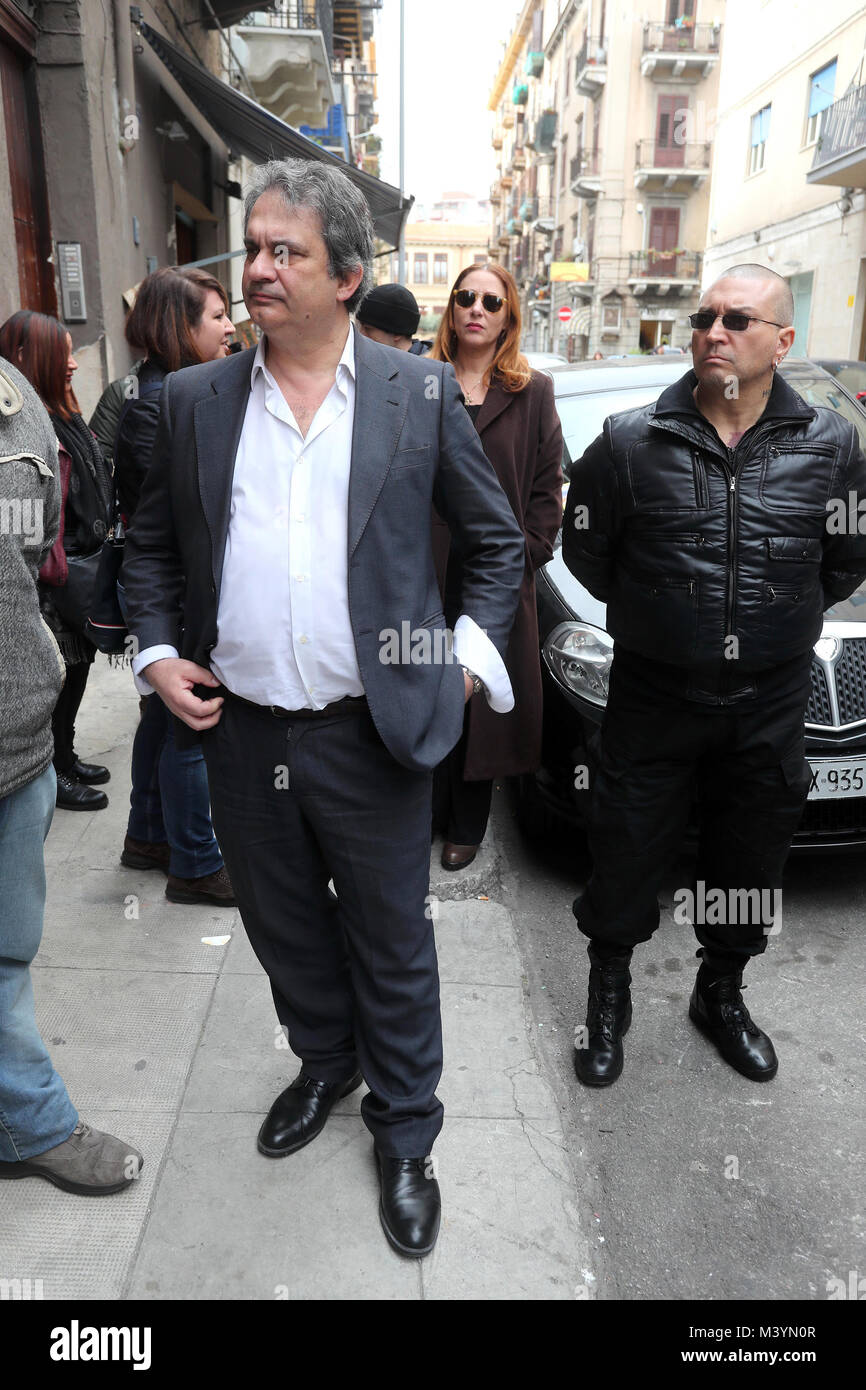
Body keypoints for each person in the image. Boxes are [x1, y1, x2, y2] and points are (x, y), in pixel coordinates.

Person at [122, 158, 524, 1257]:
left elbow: (495, 544)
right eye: (250, 247)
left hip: (371, 731)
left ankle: (404, 1131)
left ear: (346, 275)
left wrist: (463, 663)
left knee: (392, 939)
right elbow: (150, 547)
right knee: (282, 924)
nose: (255, 268)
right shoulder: (196, 401)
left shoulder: (415, 392)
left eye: (282, 251)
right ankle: (324, 1056)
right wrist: (155, 652)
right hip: (241, 730)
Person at [562, 263, 866, 1088]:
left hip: (767, 703)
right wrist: (666, 616)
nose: (714, 332)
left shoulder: (833, 447)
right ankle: (609, 994)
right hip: (653, 698)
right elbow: (587, 553)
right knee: (625, 853)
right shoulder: (630, 442)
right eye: (704, 318)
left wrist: (766, 624)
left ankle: (720, 993)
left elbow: (844, 562)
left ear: (782, 340)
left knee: (749, 857)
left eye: (737, 319)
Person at [0, 353, 142, 1194]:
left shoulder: (14, 393)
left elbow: (35, 539)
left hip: (18, 744)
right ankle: (40, 1122)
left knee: (10, 955)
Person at [429, 262, 563, 870]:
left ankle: (467, 822)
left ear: (509, 314)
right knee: (424, 685)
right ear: (451, 310)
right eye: (466, 298)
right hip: (424, 573)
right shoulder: (420, 382)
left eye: (492, 300)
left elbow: (545, 487)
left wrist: (526, 553)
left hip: (499, 578)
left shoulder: (531, 392)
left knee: (481, 698)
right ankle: (423, 811)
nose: (476, 308)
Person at [114, 267, 236, 908]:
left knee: (163, 723)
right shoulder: (167, 402)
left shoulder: (160, 391)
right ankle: (195, 862)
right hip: (177, 596)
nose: (230, 328)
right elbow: (164, 521)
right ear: (179, 327)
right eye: (216, 317)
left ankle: (149, 835)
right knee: (192, 727)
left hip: (175, 590)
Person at [0, 311, 113, 812]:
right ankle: (51, 764)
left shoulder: (60, 412)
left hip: (76, 571)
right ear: (25, 358)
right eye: (62, 353)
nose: (72, 363)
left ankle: (63, 756)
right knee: (58, 672)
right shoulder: (26, 426)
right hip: (51, 582)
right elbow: (30, 525)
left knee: (78, 670)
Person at [356, 283, 431, 355]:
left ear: (397, 333)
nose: (360, 334)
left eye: (368, 329)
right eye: (359, 326)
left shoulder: (429, 367)